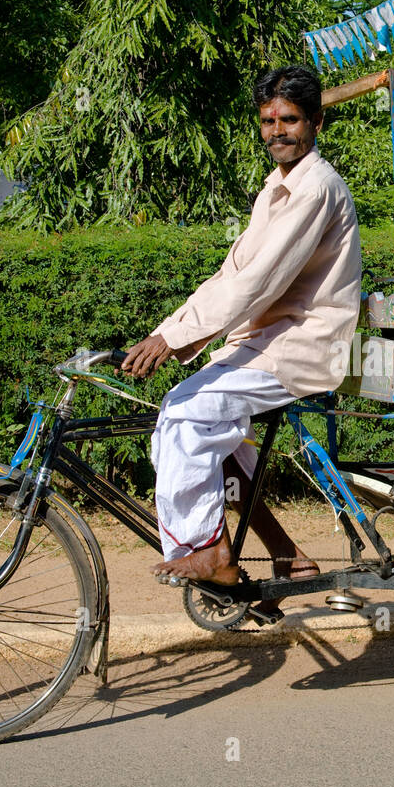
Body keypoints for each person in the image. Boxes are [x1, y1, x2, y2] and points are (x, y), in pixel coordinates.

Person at [120, 65, 361, 591]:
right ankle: (286, 553)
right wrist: (172, 330)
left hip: (301, 346)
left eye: (290, 120)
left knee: (187, 414)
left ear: (316, 121)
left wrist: (175, 338)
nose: (278, 131)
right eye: (269, 120)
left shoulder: (316, 187)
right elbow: (232, 273)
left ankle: (207, 552)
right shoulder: (275, 187)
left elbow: (257, 281)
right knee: (193, 429)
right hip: (262, 341)